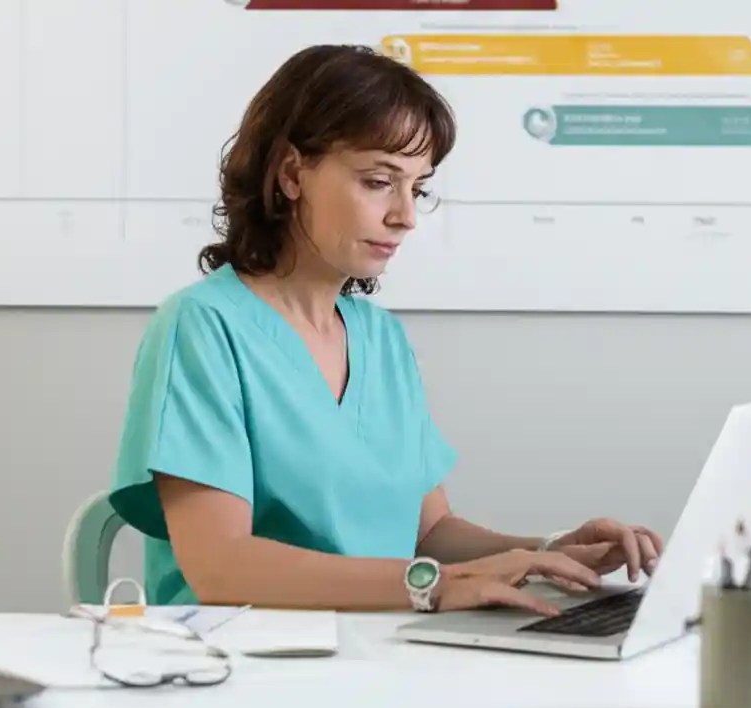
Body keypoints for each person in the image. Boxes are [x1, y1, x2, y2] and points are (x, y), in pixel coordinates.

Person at [108, 44, 663, 617]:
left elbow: (429, 533)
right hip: (246, 665)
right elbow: (221, 566)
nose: (405, 215)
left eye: (417, 188)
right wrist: (434, 586)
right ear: (293, 174)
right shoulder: (202, 327)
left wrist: (546, 551)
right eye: (379, 181)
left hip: (384, 648)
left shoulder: (381, 340)